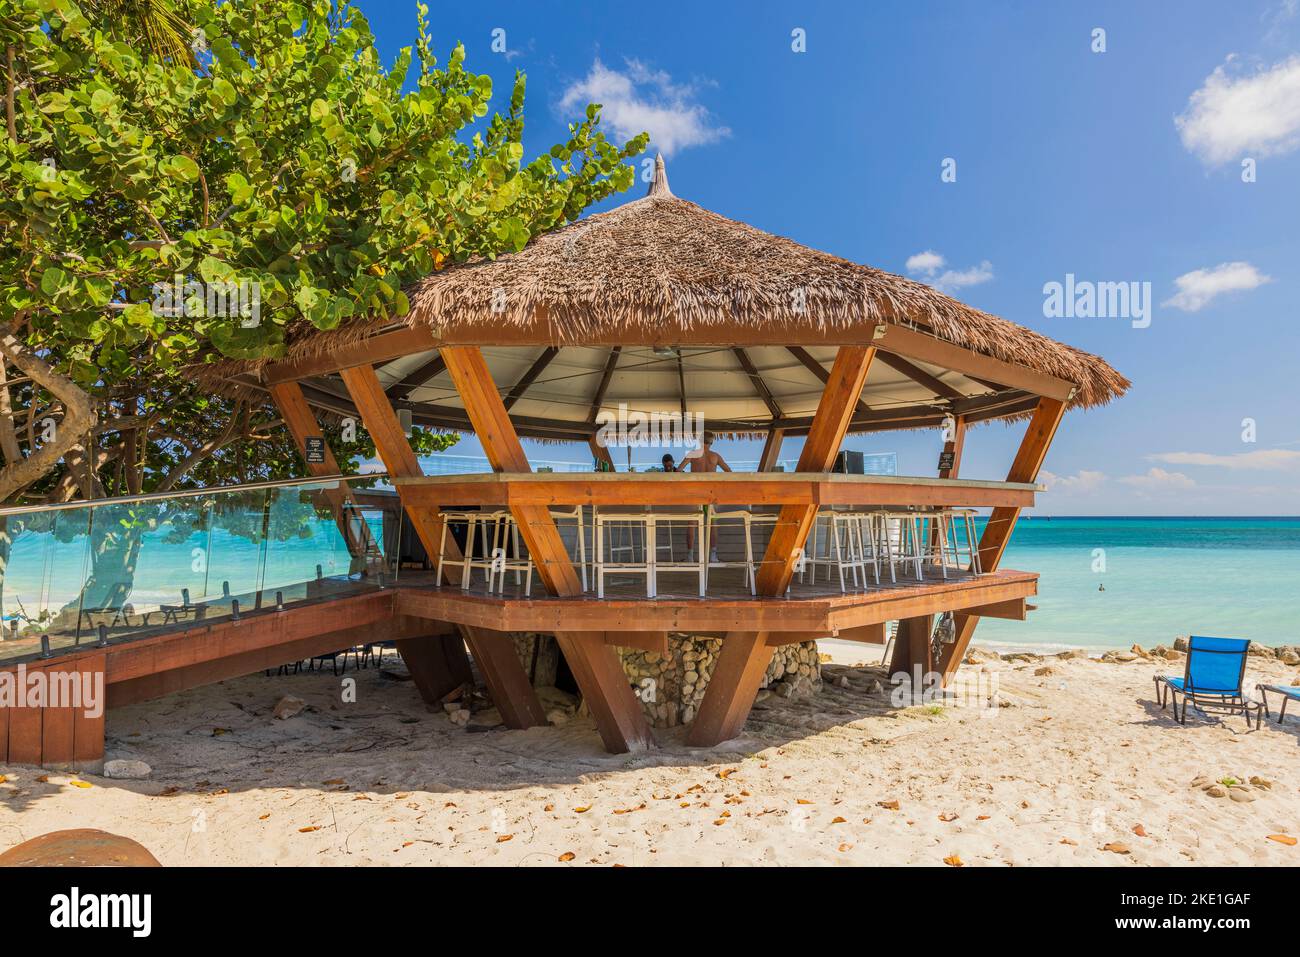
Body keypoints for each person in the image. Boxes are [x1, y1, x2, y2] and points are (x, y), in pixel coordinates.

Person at [685, 432, 730, 562]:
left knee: (692, 524)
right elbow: (729, 472)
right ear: (711, 442)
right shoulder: (715, 456)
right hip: (711, 493)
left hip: (696, 493)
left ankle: (690, 556)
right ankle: (713, 555)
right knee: (713, 523)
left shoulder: (693, 454)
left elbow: (678, 472)